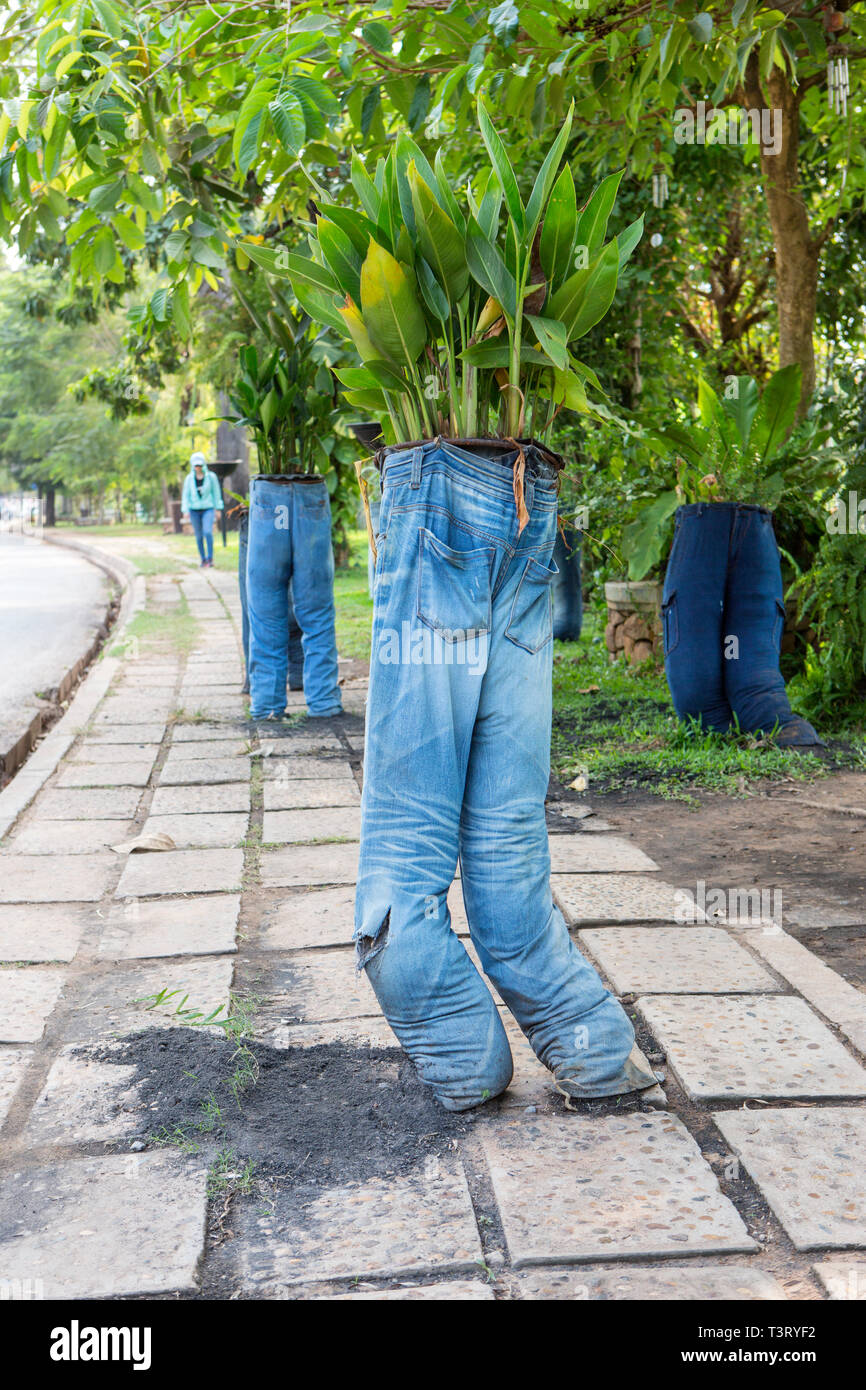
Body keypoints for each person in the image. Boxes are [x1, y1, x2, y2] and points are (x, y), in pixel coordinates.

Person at [181, 452, 222, 567]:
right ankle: (203, 559)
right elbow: (185, 495)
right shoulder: (189, 479)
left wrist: (218, 508)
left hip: (208, 509)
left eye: (199, 464)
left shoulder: (211, 477)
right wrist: (185, 510)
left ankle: (210, 558)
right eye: (195, 465)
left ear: (203, 464)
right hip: (194, 510)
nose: (197, 467)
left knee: (208, 532)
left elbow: (216, 493)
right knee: (198, 536)